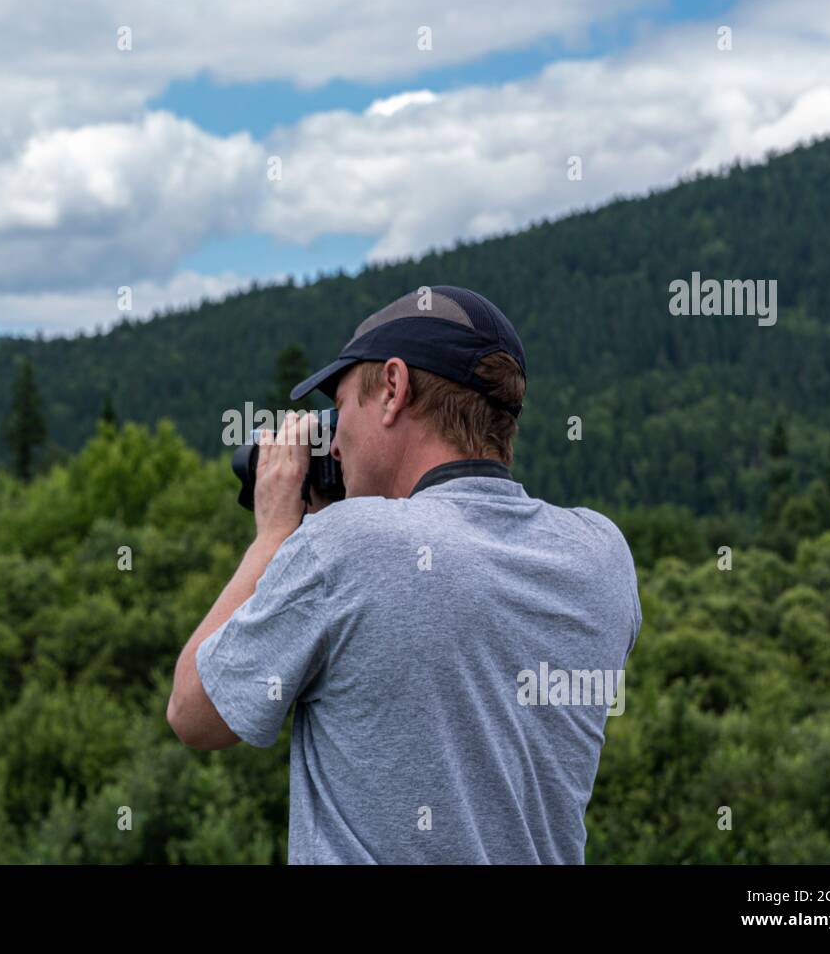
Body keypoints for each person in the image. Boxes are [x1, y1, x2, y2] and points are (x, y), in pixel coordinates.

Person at [166, 285, 642, 863]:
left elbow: (193, 712)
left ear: (393, 388)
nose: (333, 443)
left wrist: (273, 538)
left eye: (339, 411)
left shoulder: (344, 547)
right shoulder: (601, 555)